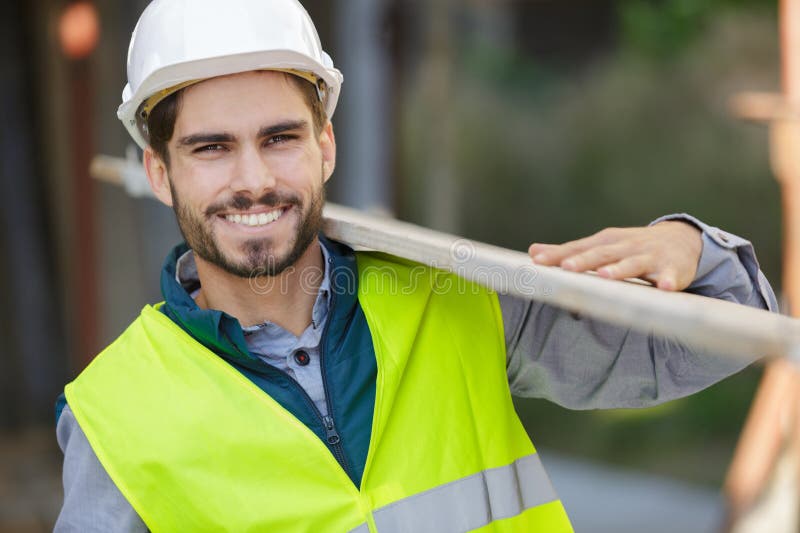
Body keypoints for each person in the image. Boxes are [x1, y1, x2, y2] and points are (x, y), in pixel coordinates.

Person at [54, 1, 777, 531]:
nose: (254, 180)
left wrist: (694, 248)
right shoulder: (114, 419)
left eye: (279, 138)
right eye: (211, 148)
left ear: (325, 146)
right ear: (159, 171)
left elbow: (730, 337)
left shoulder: (453, 299)